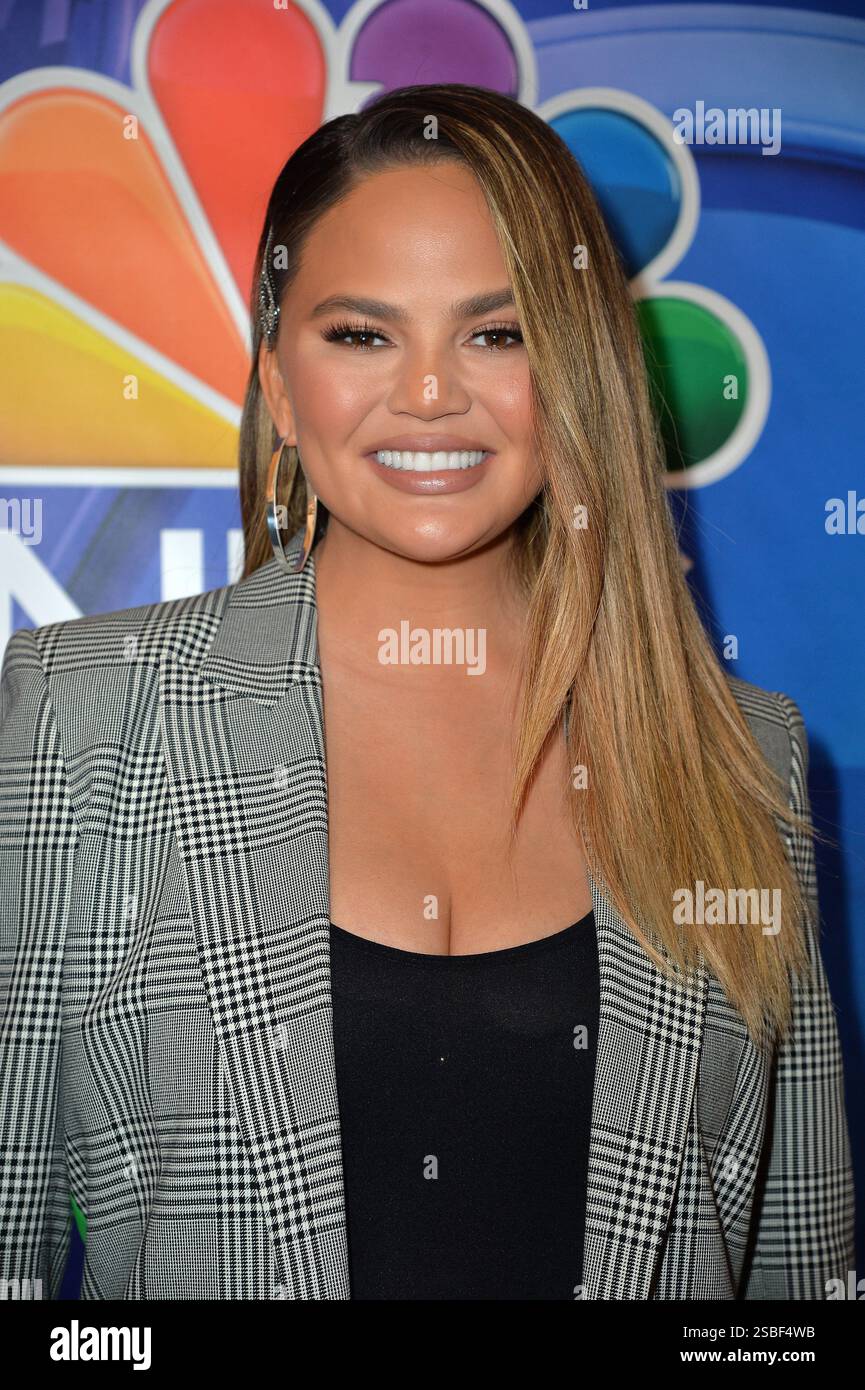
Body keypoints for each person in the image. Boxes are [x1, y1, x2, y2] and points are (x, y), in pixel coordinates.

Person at [0, 84, 854, 1300]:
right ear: (281, 386)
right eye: (361, 334)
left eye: (495, 334)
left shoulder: (741, 761)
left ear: (574, 375)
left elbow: (795, 1286)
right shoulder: (81, 719)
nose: (431, 394)